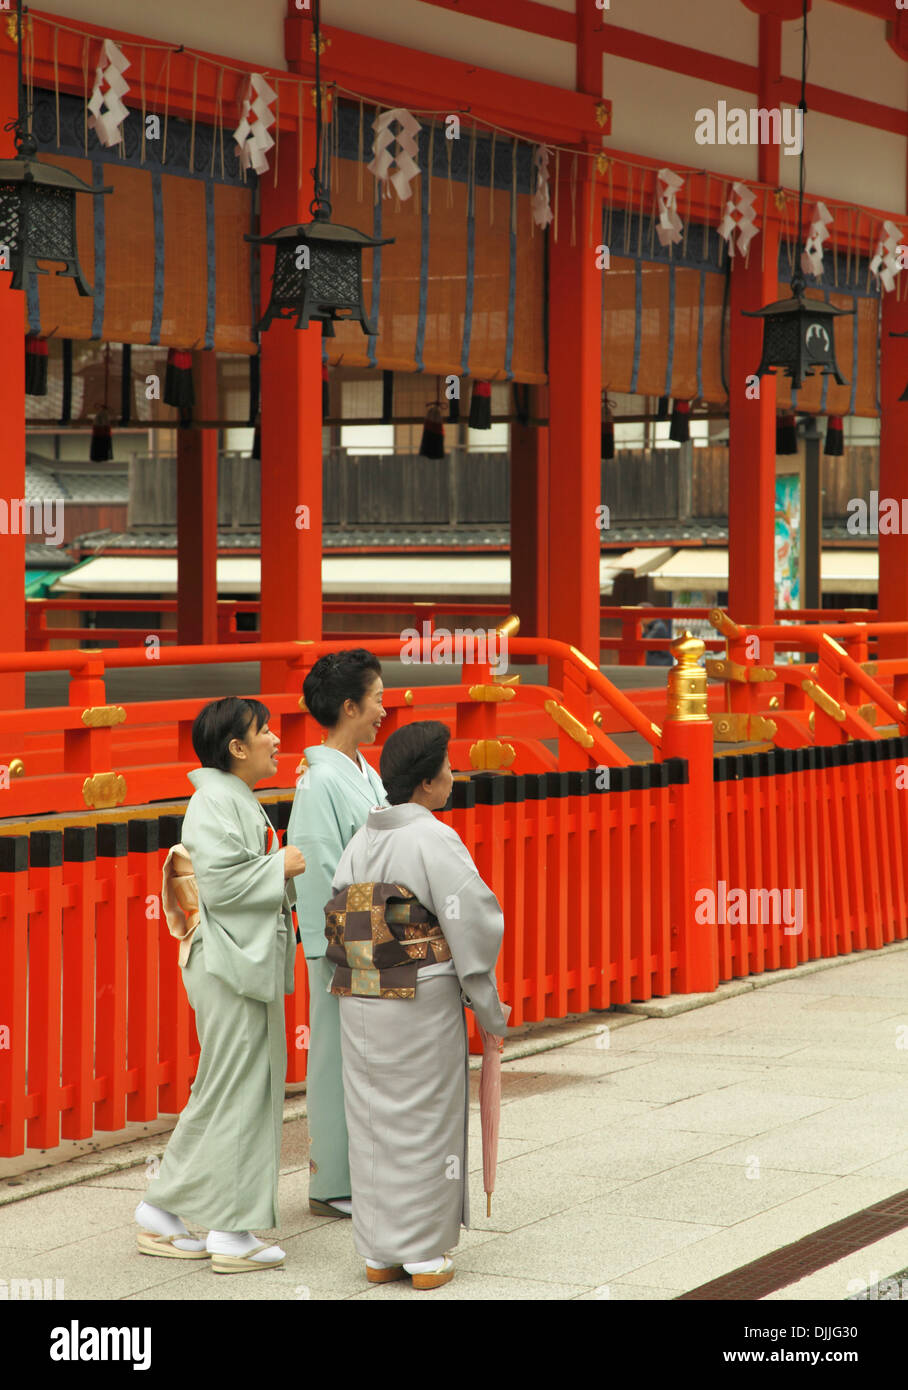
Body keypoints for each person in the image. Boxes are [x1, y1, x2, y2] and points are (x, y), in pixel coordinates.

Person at [330, 720, 509, 1291]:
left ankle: (380, 1250)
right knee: (425, 1116)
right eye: (448, 770)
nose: (453, 777)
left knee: (374, 1118)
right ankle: (425, 1254)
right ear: (429, 783)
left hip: (360, 995)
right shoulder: (430, 837)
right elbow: (473, 920)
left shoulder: (362, 838)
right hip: (420, 998)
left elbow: (341, 915)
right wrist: (486, 1002)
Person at [134, 697, 305, 1274]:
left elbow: (232, 880)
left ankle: (163, 1209)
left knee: (229, 1084)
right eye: (265, 732)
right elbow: (223, 885)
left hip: (236, 961)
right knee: (239, 1088)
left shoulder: (231, 798)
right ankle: (231, 1231)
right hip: (227, 964)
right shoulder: (213, 802)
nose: (275, 740)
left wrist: (276, 869)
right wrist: (279, 867)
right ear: (236, 747)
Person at [286, 649, 388, 1218]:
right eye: (375, 698)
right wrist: (343, 943)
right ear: (349, 706)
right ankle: (329, 1182)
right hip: (343, 935)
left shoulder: (362, 771)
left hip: (372, 925)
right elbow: (319, 865)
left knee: (367, 1057)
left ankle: (362, 1172)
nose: (383, 709)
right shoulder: (319, 780)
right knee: (333, 1055)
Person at [640, 601, 674, 666]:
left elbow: (645, 644)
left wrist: (641, 631)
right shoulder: (654, 626)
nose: (640, 619)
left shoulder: (658, 627)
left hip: (660, 665)